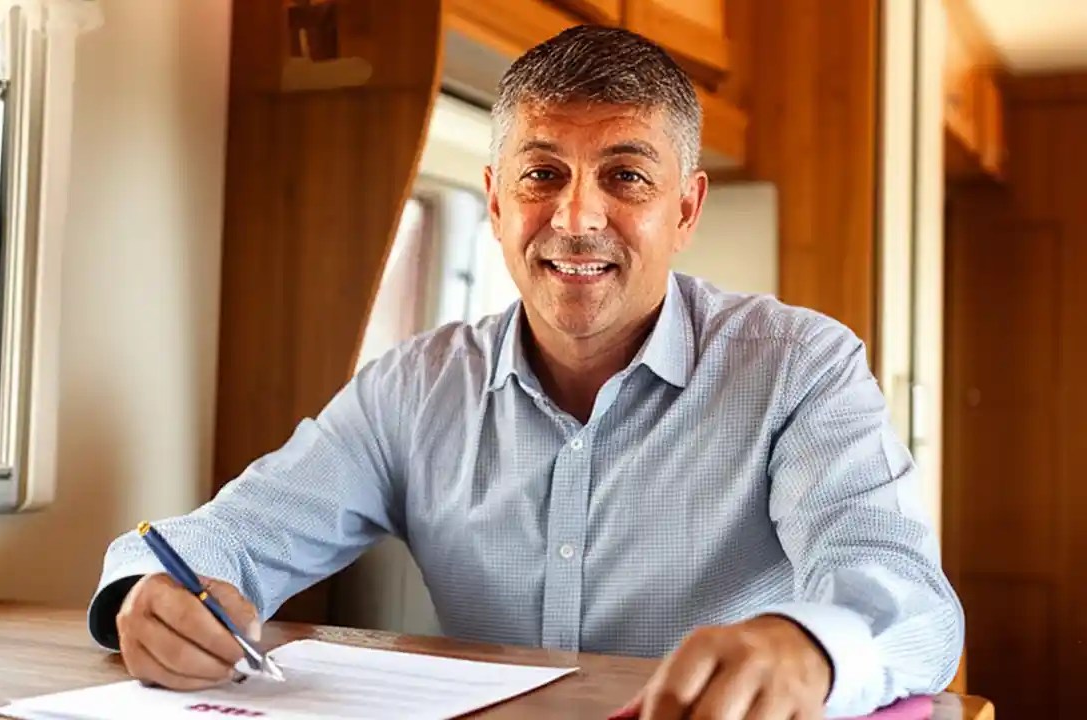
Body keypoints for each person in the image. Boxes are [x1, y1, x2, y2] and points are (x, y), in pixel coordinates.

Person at [87, 24, 963, 720]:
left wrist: (806, 648)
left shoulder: (800, 368)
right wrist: (154, 593)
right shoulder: (411, 388)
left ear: (686, 209)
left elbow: (909, 601)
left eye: (626, 176)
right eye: (542, 173)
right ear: (497, 202)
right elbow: (230, 534)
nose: (577, 217)